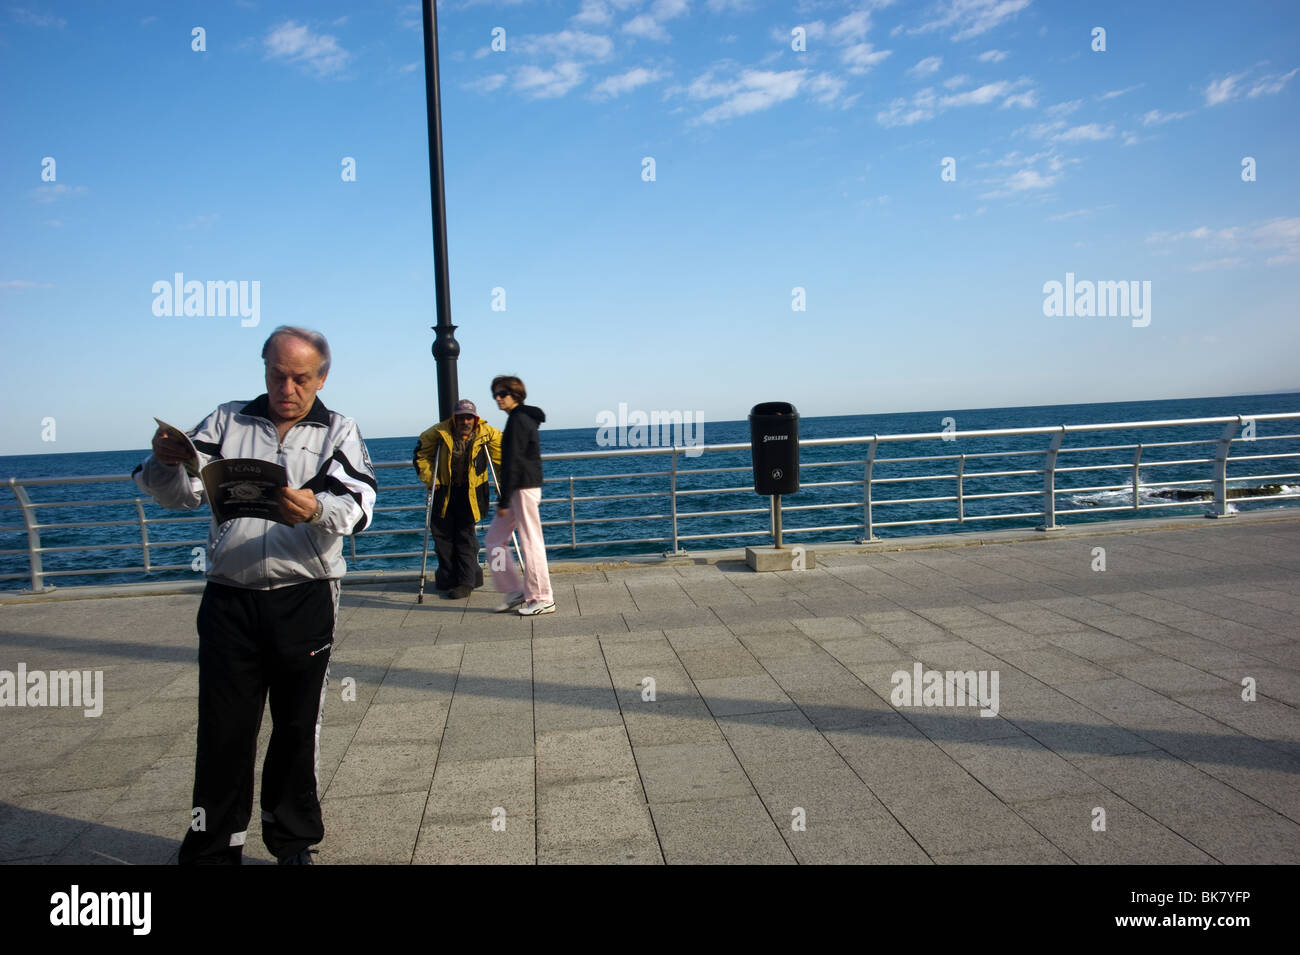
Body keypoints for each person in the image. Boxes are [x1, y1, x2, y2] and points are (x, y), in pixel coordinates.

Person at [132, 325, 376, 865]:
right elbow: (181, 496)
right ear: (263, 368)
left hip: (305, 594)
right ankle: (214, 845)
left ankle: (292, 842)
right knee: (223, 726)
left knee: (296, 723)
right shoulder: (226, 419)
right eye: (276, 375)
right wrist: (164, 462)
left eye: (300, 378)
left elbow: (360, 507)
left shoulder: (339, 429)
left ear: (322, 377)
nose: (287, 388)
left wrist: (314, 509)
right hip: (229, 596)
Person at [412, 399, 503, 599]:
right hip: (444, 490)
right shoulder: (437, 432)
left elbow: (500, 459)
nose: (465, 422)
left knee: (465, 536)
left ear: (475, 418)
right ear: (454, 419)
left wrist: (503, 484)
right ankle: (448, 576)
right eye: (461, 417)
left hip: (472, 493)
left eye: (469, 417)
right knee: (441, 536)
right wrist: (430, 477)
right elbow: (421, 455)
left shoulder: (488, 433)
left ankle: (466, 582)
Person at [484, 375, 554, 615]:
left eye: (502, 394)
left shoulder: (519, 420)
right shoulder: (517, 419)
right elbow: (512, 462)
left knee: (531, 542)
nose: (497, 398)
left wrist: (503, 499)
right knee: (494, 540)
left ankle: (542, 597)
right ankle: (515, 590)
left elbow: (514, 462)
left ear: (516, 395)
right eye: (495, 394)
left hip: (523, 489)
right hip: (516, 488)